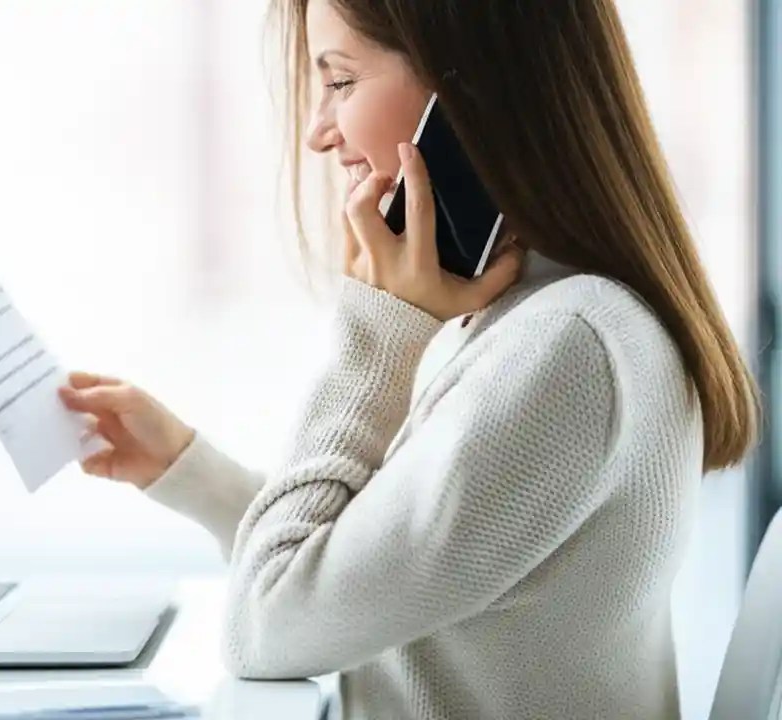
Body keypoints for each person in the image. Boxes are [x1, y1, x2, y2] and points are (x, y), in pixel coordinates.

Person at [57, 0, 759, 717]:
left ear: (466, 94)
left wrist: (379, 337)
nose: (318, 132)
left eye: (340, 82)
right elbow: (359, 581)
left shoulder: (567, 349)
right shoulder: (533, 322)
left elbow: (268, 626)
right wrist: (186, 467)